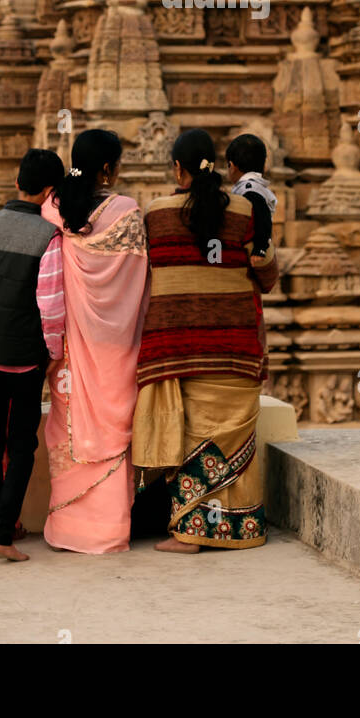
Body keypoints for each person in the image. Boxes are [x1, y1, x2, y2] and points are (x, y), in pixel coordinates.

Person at [132, 127, 279, 554]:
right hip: (234, 348)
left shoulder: (156, 213)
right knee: (227, 440)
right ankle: (241, 530)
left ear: (178, 169)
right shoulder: (245, 209)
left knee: (190, 435)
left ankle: (191, 534)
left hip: (177, 348)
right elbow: (265, 270)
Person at [41, 129, 149, 554]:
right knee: (112, 427)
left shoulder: (54, 209)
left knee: (67, 432)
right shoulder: (126, 212)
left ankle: (68, 528)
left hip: (67, 349)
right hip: (115, 350)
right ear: (108, 168)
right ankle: (108, 531)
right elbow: (139, 287)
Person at [0, 147, 65, 562]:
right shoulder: (48, 236)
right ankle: (2, 536)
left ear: (16, 182)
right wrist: (54, 355)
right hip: (25, 357)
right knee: (22, 447)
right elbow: (51, 304)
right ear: (49, 192)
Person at [226, 132, 277, 265]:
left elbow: (262, 216)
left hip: (253, 250)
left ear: (232, 166)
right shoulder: (255, 187)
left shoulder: (250, 189)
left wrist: (259, 248)